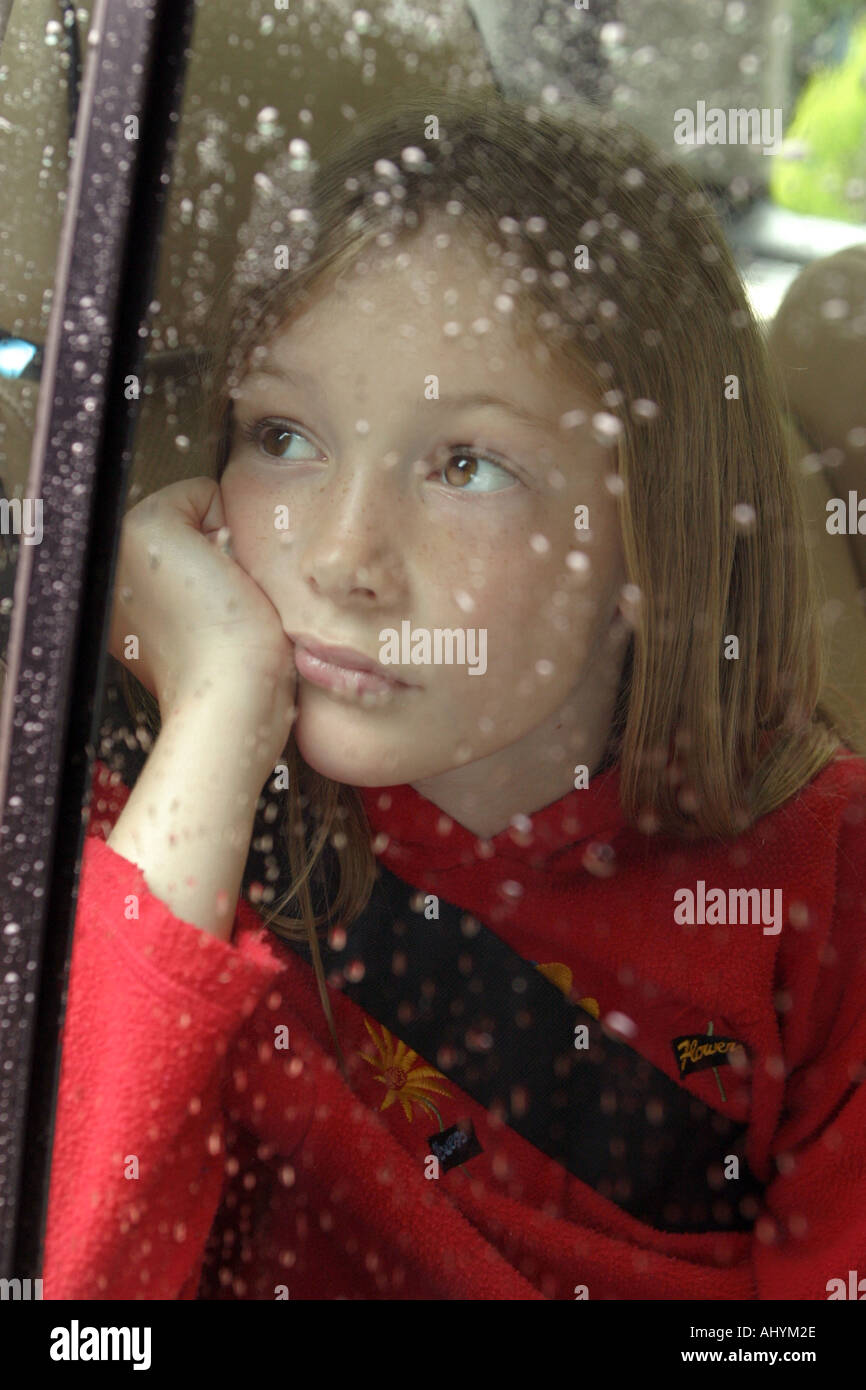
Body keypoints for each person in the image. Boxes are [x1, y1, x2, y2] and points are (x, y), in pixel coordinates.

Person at [43, 92, 866, 1301]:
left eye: (465, 464)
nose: (341, 555)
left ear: (649, 527)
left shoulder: (824, 883)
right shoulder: (149, 825)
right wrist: (218, 714)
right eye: (281, 435)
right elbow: (73, 1298)